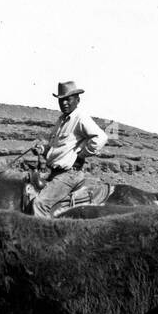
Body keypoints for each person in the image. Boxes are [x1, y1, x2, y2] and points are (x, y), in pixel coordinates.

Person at [24, 81, 109, 216]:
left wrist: (81, 155)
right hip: (55, 173)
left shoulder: (80, 118)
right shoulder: (61, 121)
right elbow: (55, 147)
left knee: (40, 204)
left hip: (68, 175)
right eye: (61, 100)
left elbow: (101, 137)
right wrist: (42, 149)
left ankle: (43, 236)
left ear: (77, 100)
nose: (64, 103)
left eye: (68, 99)